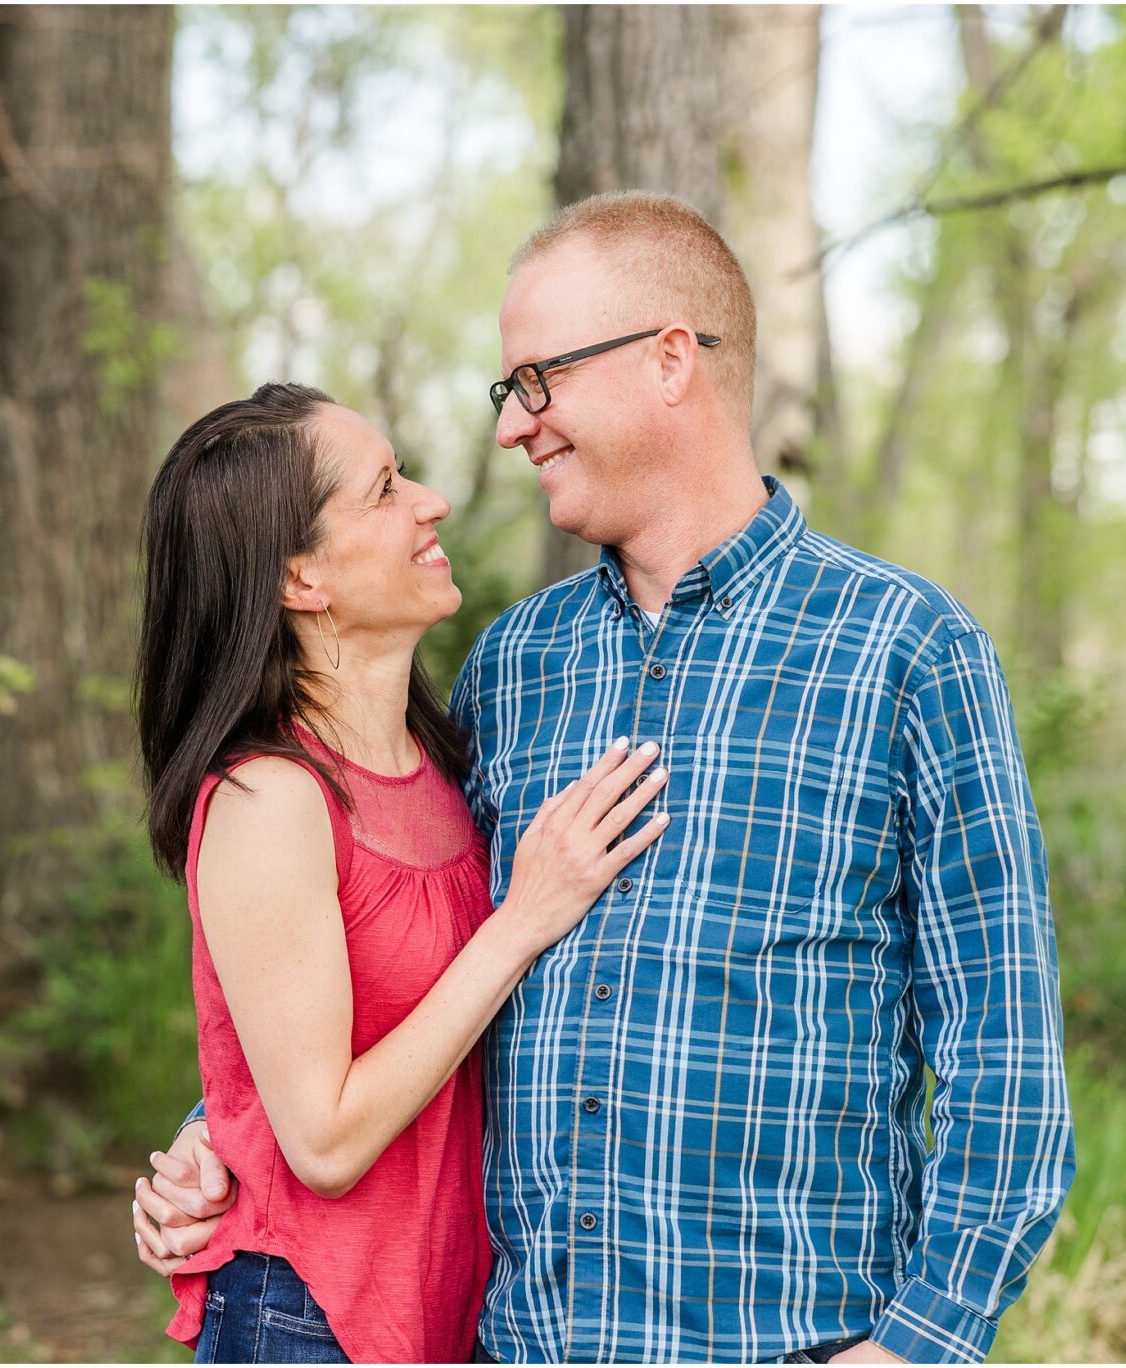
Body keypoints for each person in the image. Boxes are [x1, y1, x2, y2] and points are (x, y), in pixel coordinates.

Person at [133, 192, 1075, 1365]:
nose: (510, 428)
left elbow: (1007, 1071)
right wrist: (217, 1136)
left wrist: (915, 1347)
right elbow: (400, 961)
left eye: (536, 380)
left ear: (668, 361)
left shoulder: (903, 652)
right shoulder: (514, 669)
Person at [134, 383, 669, 1363]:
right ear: (300, 577)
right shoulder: (268, 799)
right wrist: (523, 917)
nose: (430, 502)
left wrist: (207, 1130)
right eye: (383, 490)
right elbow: (324, 1142)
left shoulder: (449, 760)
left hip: (457, 1313)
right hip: (313, 1320)